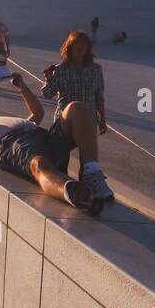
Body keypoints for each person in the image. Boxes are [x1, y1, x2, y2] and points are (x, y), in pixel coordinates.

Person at [0, 69, 91, 210]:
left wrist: (22, 86)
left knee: (76, 108)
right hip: (13, 143)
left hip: (40, 135)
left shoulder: (1, 123)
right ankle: (71, 192)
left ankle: (91, 171)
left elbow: (38, 113)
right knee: (38, 163)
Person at [40, 30, 113, 201]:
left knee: (87, 161)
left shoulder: (96, 69)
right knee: (60, 165)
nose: (80, 48)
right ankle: (66, 191)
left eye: (84, 44)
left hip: (88, 122)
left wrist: (102, 119)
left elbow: (98, 96)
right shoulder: (60, 70)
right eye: (76, 44)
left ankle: (89, 189)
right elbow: (47, 94)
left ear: (88, 48)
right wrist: (49, 78)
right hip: (65, 122)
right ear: (69, 47)